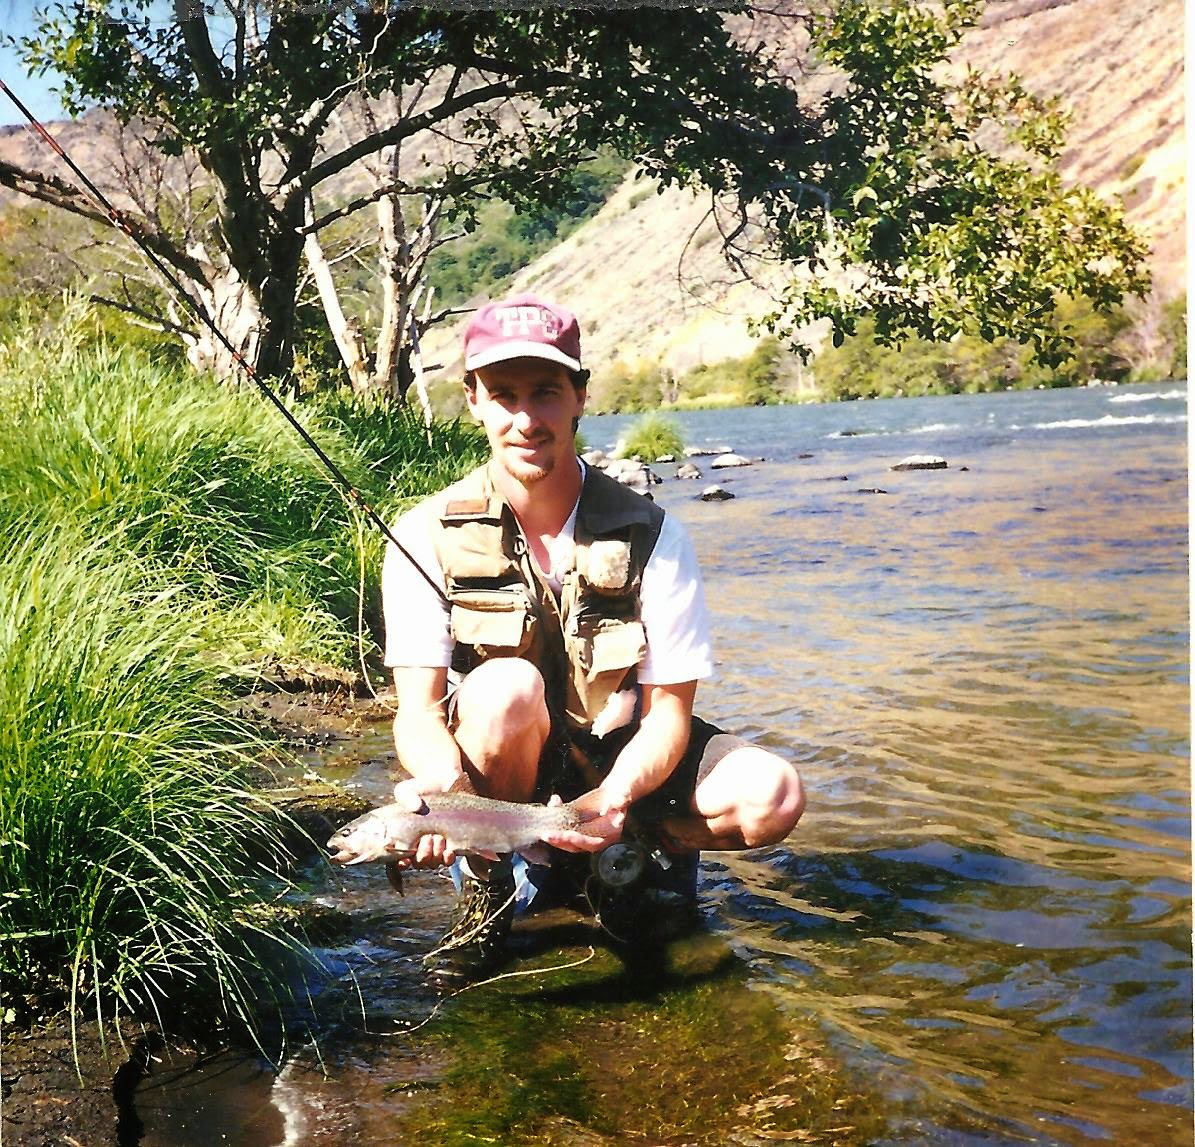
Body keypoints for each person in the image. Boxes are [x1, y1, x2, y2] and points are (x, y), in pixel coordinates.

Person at [381, 292, 804, 991]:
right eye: (503, 394)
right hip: (498, 769)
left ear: (579, 395)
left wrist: (613, 799)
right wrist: (447, 797)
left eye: (545, 393)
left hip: (617, 754)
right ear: (473, 401)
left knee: (773, 794)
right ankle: (489, 881)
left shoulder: (653, 533)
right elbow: (419, 712)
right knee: (504, 690)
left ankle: (631, 848)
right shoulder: (424, 533)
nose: (525, 418)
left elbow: (668, 712)